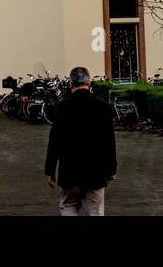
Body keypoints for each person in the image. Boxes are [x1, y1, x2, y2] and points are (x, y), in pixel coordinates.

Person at [44, 66, 117, 216]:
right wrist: (111, 169)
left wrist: (50, 170)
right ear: (89, 83)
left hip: (70, 171)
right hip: (96, 171)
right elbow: (109, 142)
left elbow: (55, 141)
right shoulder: (103, 108)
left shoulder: (63, 108)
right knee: (95, 211)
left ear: (71, 84)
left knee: (69, 207)